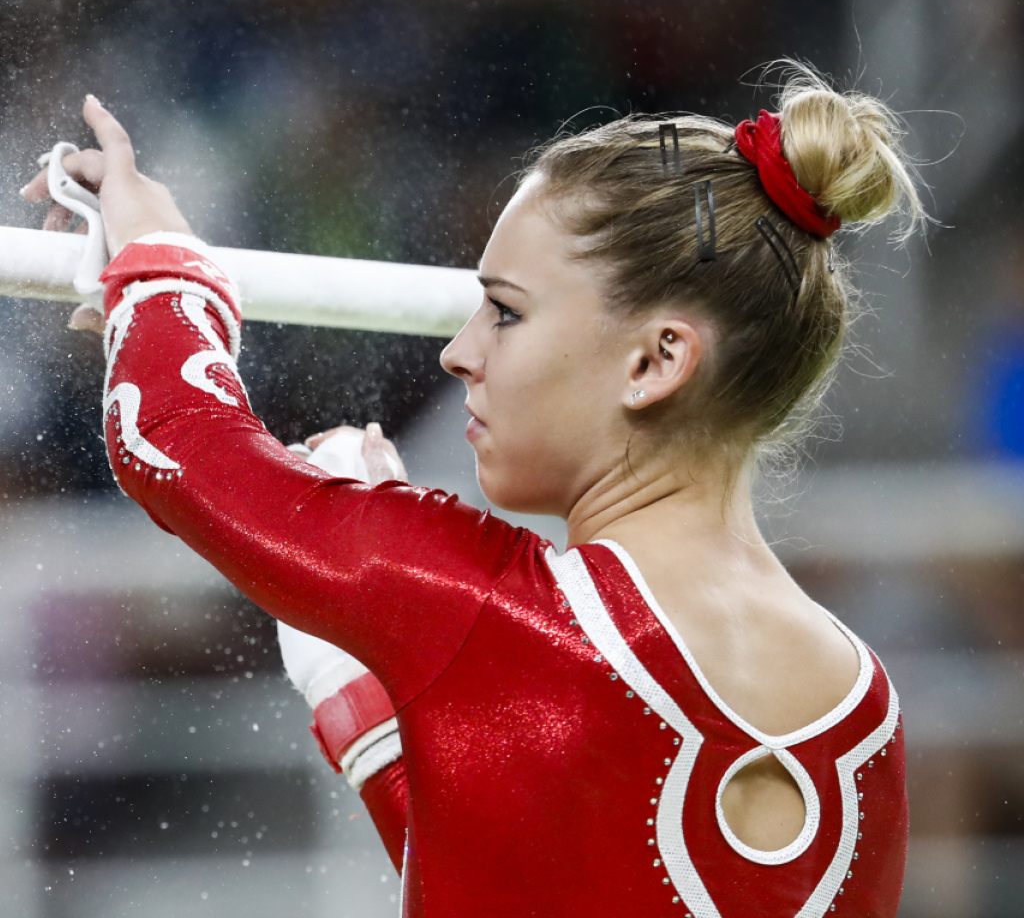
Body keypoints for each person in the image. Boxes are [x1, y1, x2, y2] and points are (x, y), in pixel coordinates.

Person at [22, 67, 922, 917]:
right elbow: (533, 871)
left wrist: (161, 264)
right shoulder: (869, 711)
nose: (459, 353)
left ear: (655, 361)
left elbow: (176, 442)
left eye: (506, 310)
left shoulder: (497, 614)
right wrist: (362, 678)